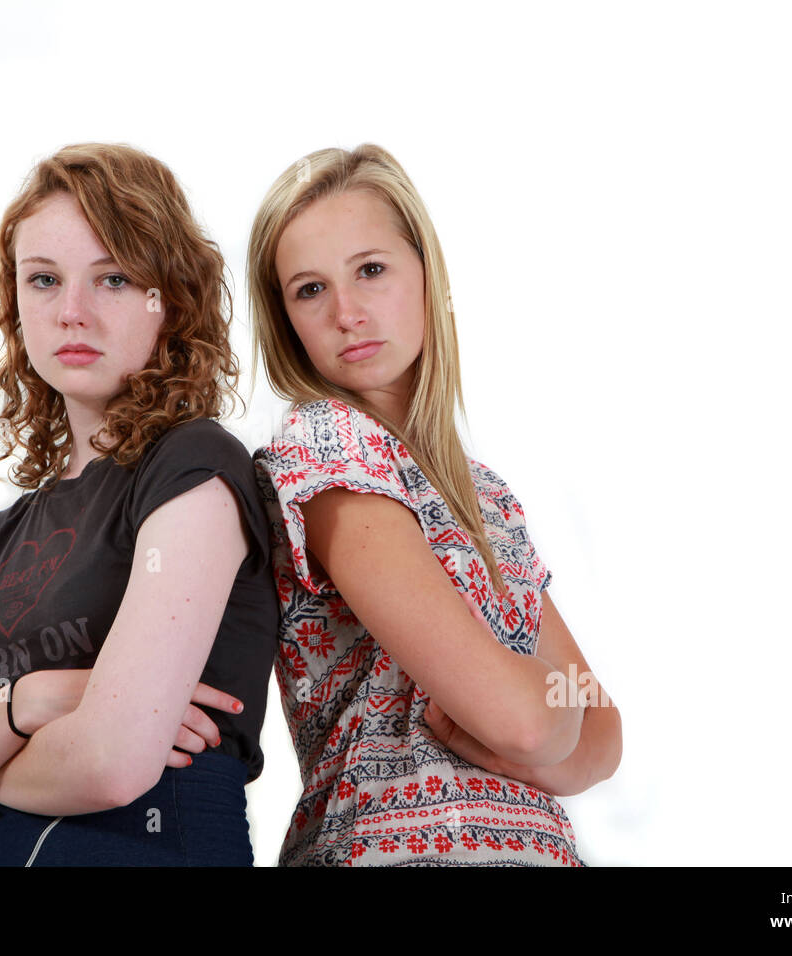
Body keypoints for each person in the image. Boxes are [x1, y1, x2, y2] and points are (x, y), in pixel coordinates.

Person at [0, 143, 279, 866]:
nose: (72, 312)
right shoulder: (6, 535)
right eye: (44, 280)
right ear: (16, 303)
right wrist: (28, 702)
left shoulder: (194, 465)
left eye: (114, 279)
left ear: (172, 299)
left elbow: (112, 764)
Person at [247, 144, 622, 866]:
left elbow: (603, 734)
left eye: (372, 270)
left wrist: (544, 714)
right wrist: (540, 714)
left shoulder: (484, 494)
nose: (348, 313)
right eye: (310, 289)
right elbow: (523, 722)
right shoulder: (328, 446)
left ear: (426, 274)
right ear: (285, 316)